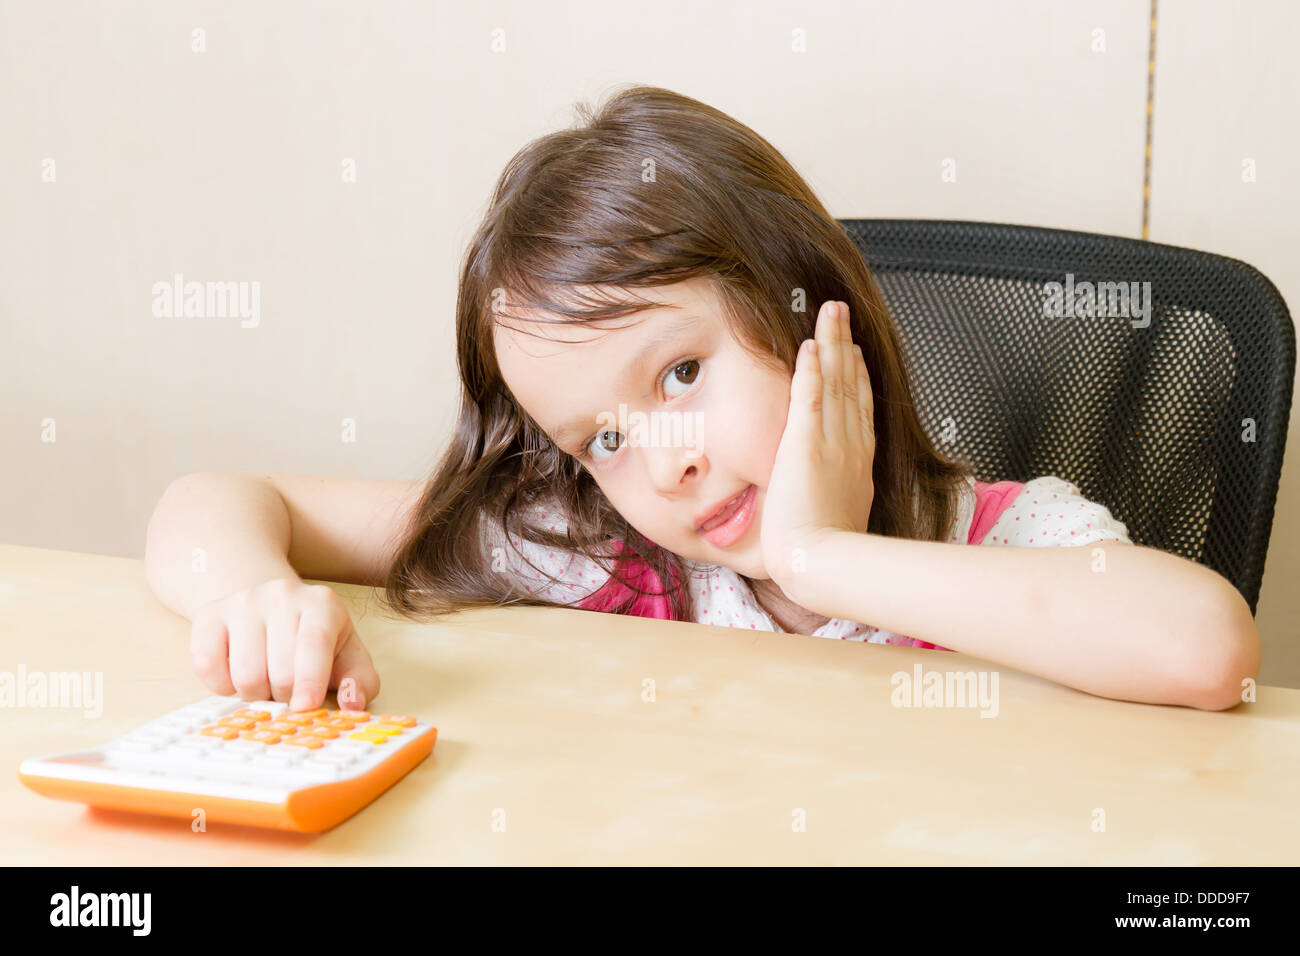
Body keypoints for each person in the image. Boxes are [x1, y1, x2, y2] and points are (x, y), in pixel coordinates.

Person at [144, 85, 1259, 714]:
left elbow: (1208, 647)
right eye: (604, 438)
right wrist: (254, 593)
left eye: (681, 372)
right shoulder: (618, 558)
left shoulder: (1015, 540)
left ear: (812, 307)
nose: (663, 460)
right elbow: (214, 498)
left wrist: (814, 557)